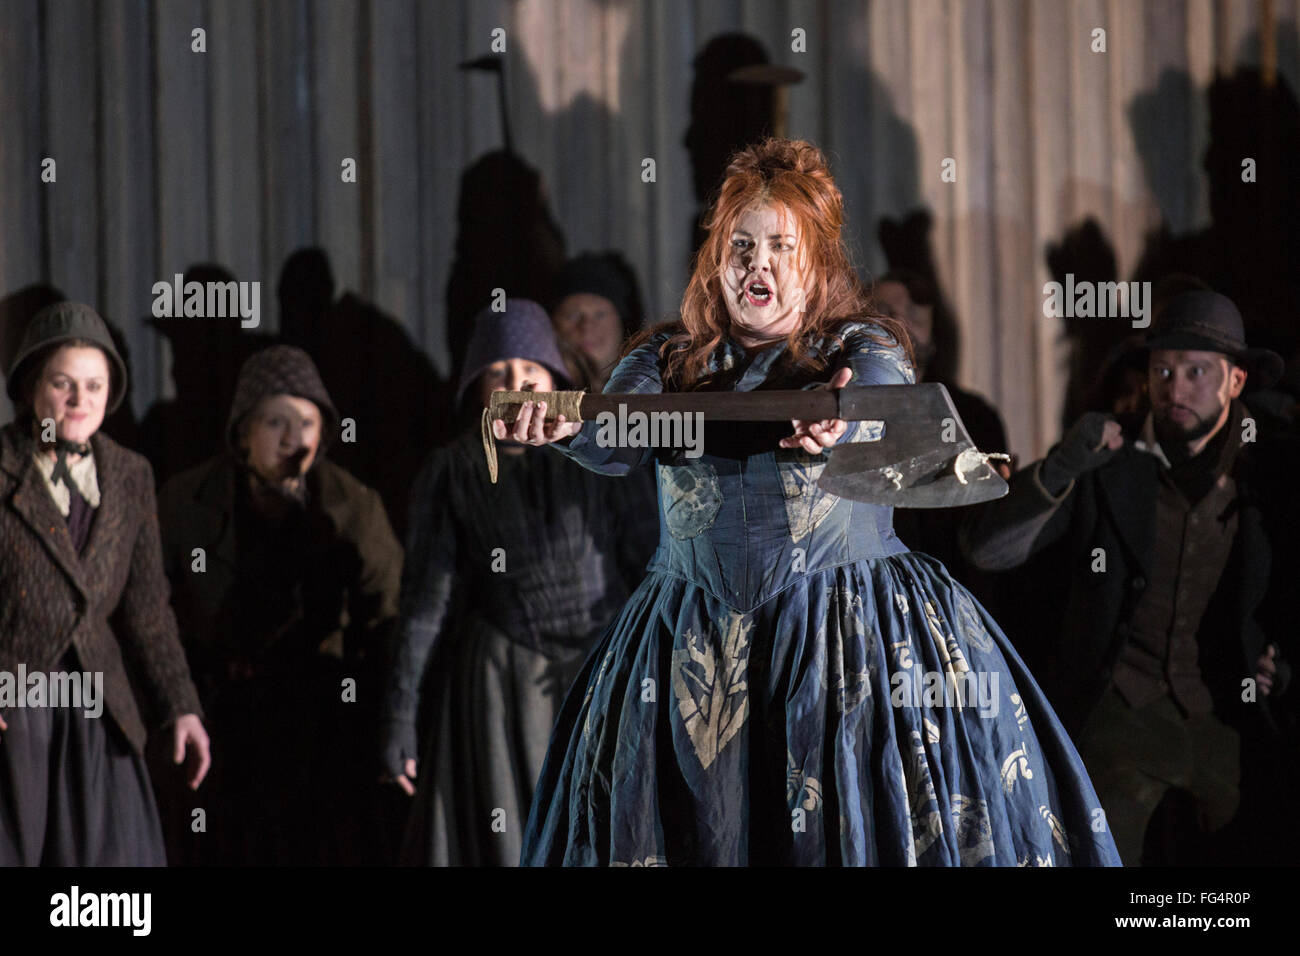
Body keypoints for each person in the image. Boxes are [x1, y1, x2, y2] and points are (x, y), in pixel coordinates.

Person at [500, 139, 1121, 866]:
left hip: (848, 631)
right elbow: (620, 432)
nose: (755, 265)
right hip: (693, 641)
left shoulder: (860, 342)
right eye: (740, 246)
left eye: (778, 248)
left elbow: (884, 402)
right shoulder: (669, 358)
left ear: (817, 263)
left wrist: (843, 418)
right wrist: (568, 424)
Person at [961, 290, 1297, 865]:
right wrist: (1065, 465)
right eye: (1163, 369)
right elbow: (989, 551)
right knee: (1096, 844)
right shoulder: (1108, 454)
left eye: (1197, 372)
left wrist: (1285, 662)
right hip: (1122, 706)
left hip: (1227, 711)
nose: (1176, 387)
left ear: (1236, 382)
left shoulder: (1270, 468)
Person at [381, 300, 654, 865]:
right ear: (477, 388)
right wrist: (400, 714)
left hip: (600, 668)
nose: (516, 385)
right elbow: (425, 604)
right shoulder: (455, 469)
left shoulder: (600, 451)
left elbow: (647, 560)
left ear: (554, 379)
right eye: (498, 373)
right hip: (505, 683)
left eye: (530, 371)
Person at [155, 345, 402, 865]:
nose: (294, 439)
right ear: (242, 434)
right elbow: (148, 610)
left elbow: (389, 621)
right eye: (275, 421)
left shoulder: (352, 506)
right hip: (217, 721)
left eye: (307, 422)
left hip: (319, 725)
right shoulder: (184, 501)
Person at [0, 302, 209, 865]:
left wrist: (180, 705)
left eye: (94, 386)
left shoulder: (128, 475)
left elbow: (147, 609)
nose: (79, 401)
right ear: (29, 387)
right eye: (62, 383)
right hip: (17, 704)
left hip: (98, 705)